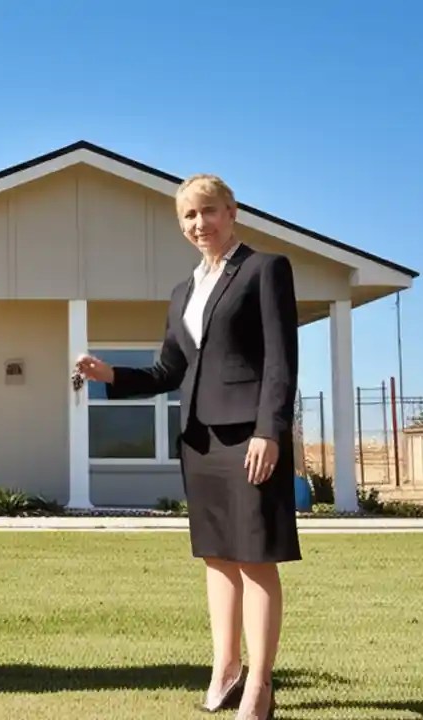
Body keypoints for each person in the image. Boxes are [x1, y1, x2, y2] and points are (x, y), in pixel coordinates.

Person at [75, 173, 297, 720]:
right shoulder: (184, 291)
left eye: (209, 212)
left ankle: (260, 687)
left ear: (232, 211)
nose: (200, 224)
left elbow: (280, 361)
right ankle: (225, 670)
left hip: (249, 437)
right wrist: (110, 374)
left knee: (256, 559)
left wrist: (270, 430)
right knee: (217, 558)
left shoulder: (266, 270)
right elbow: (169, 368)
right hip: (199, 439)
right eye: (189, 217)